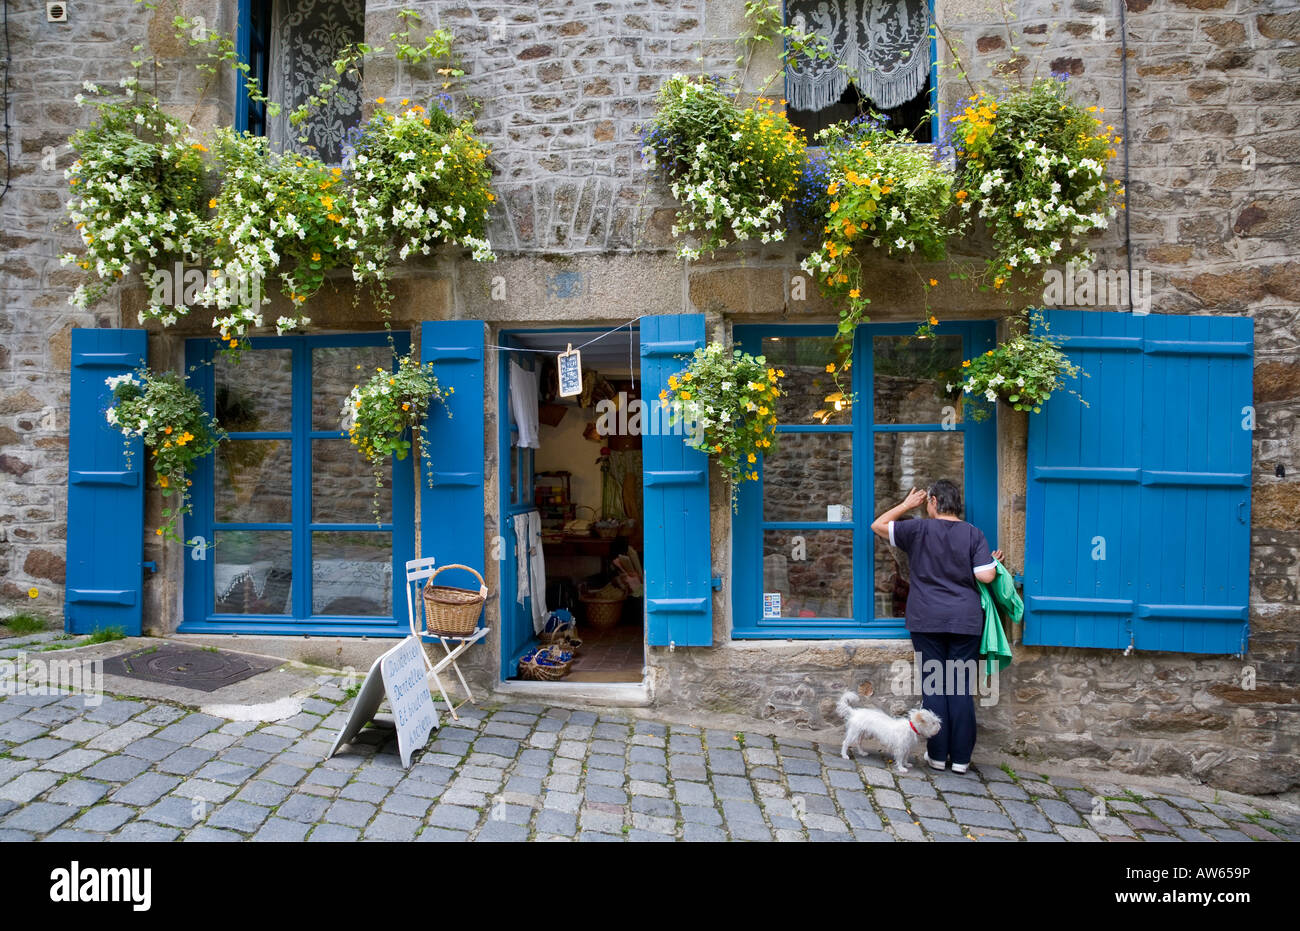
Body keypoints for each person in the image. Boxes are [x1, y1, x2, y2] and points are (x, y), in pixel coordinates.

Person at [870, 479, 1002, 774]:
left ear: (931, 501)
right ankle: (961, 760)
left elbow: (878, 525)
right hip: (965, 620)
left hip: (927, 618)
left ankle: (938, 755)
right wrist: (991, 563)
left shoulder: (917, 530)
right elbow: (986, 577)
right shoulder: (973, 534)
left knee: (934, 685)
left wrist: (906, 505)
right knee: (960, 687)